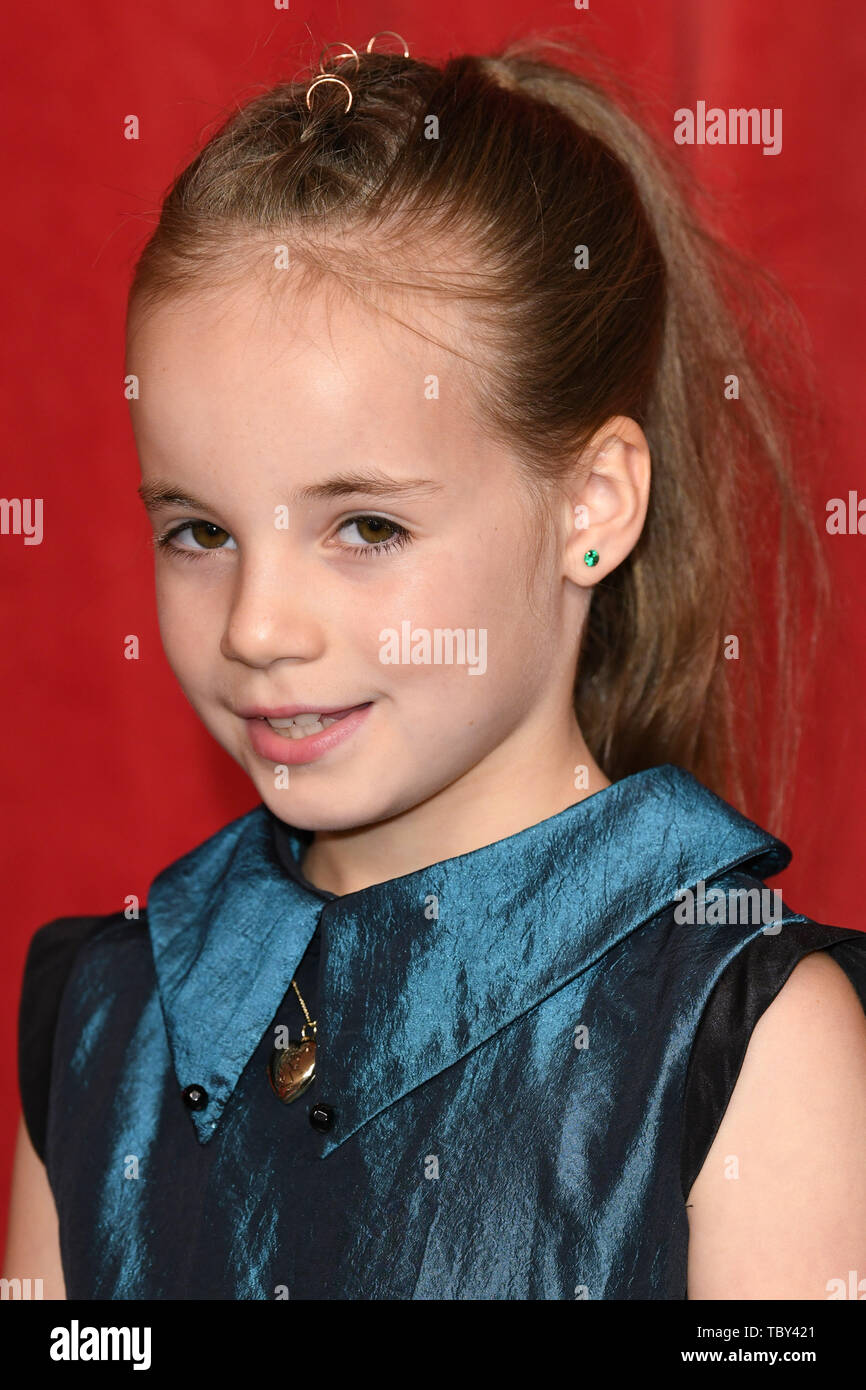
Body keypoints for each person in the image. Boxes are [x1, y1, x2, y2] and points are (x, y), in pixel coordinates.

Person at [5, 33, 866, 1301]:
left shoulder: (744, 1043)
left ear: (593, 505)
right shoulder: (98, 1019)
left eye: (365, 527)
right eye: (198, 530)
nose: (255, 625)